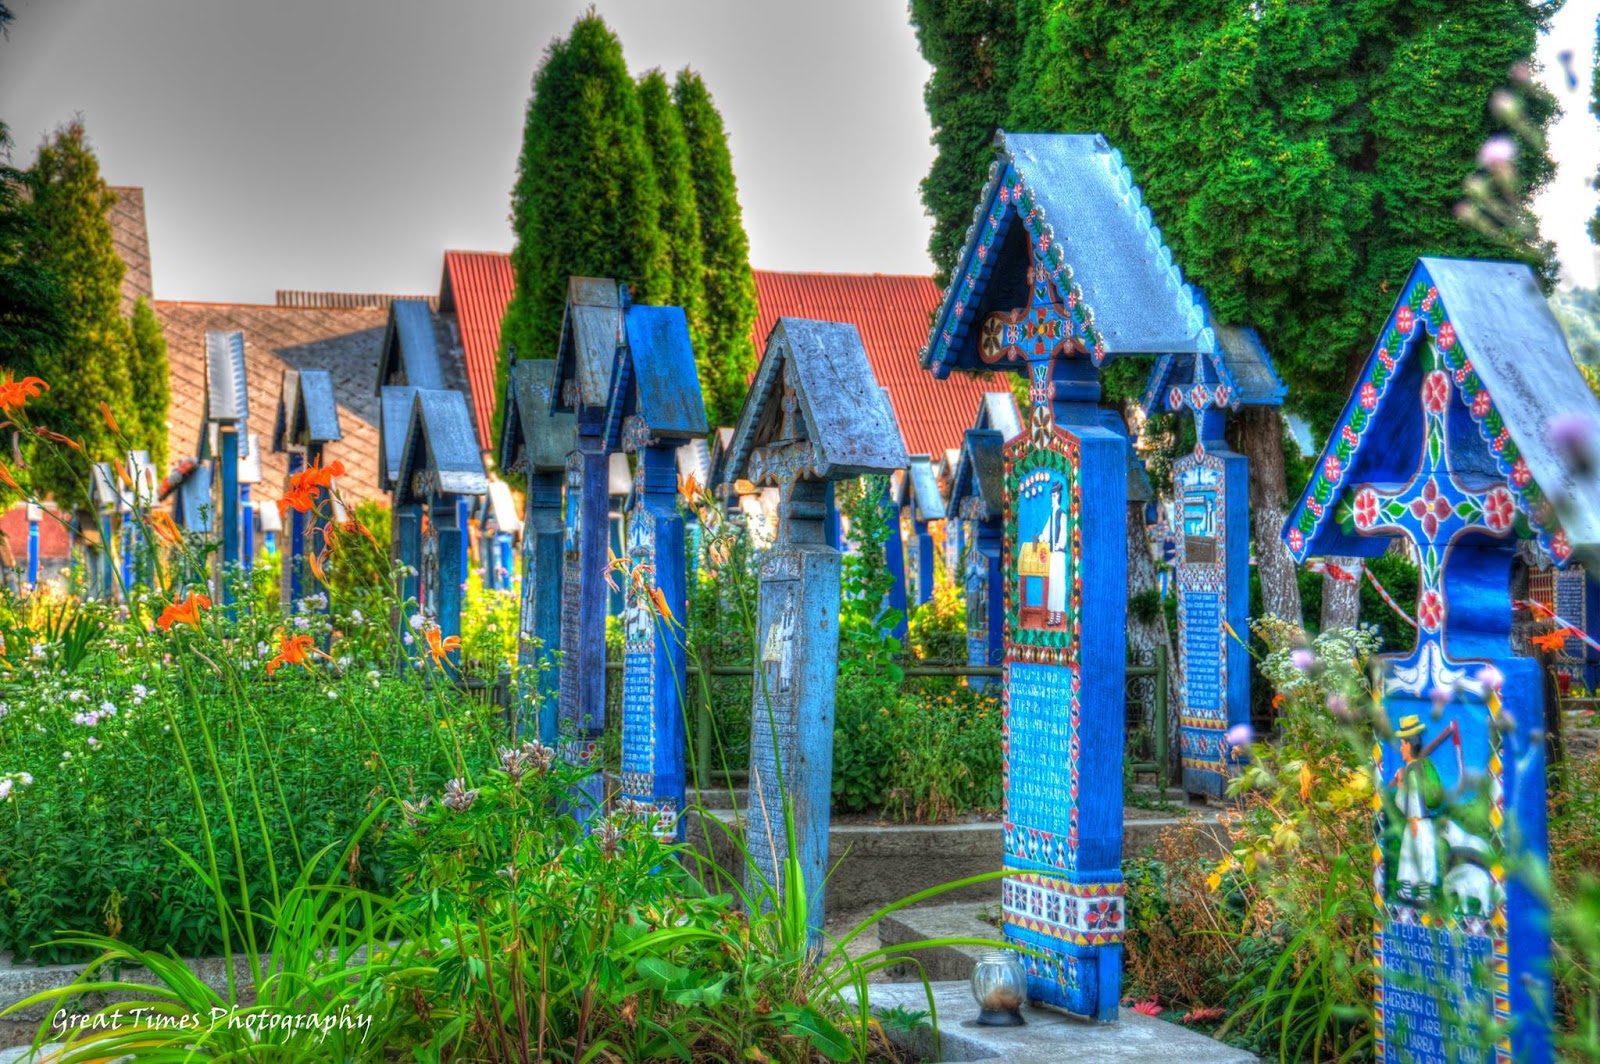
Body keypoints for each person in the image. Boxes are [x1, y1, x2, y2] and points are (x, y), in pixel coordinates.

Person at [1390, 714, 1444, 904]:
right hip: (1423, 822)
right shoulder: (1419, 767)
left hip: (1417, 822)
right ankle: (1418, 892)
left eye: (1402, 744)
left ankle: (1420, 893)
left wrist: (1400, 786)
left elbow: (1410, 799)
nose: (1400, 748)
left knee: (1416, 856)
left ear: (1409, 745)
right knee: (1420, 855)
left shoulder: (1412, 771)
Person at [1036, 481, 1069, 627]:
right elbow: (1046, 531)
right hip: (1052, 553)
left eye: (1054, 495)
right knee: (1052, 584)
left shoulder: (1061, 514)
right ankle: (1053, 616)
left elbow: (1064, 532)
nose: (1052, 498)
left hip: (1059, 553)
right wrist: (1041, 538)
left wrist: (1060, 544)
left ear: (1059, 496)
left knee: (1059, 584)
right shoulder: (1052, 514)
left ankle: (1058, 616)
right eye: (1051, 496)